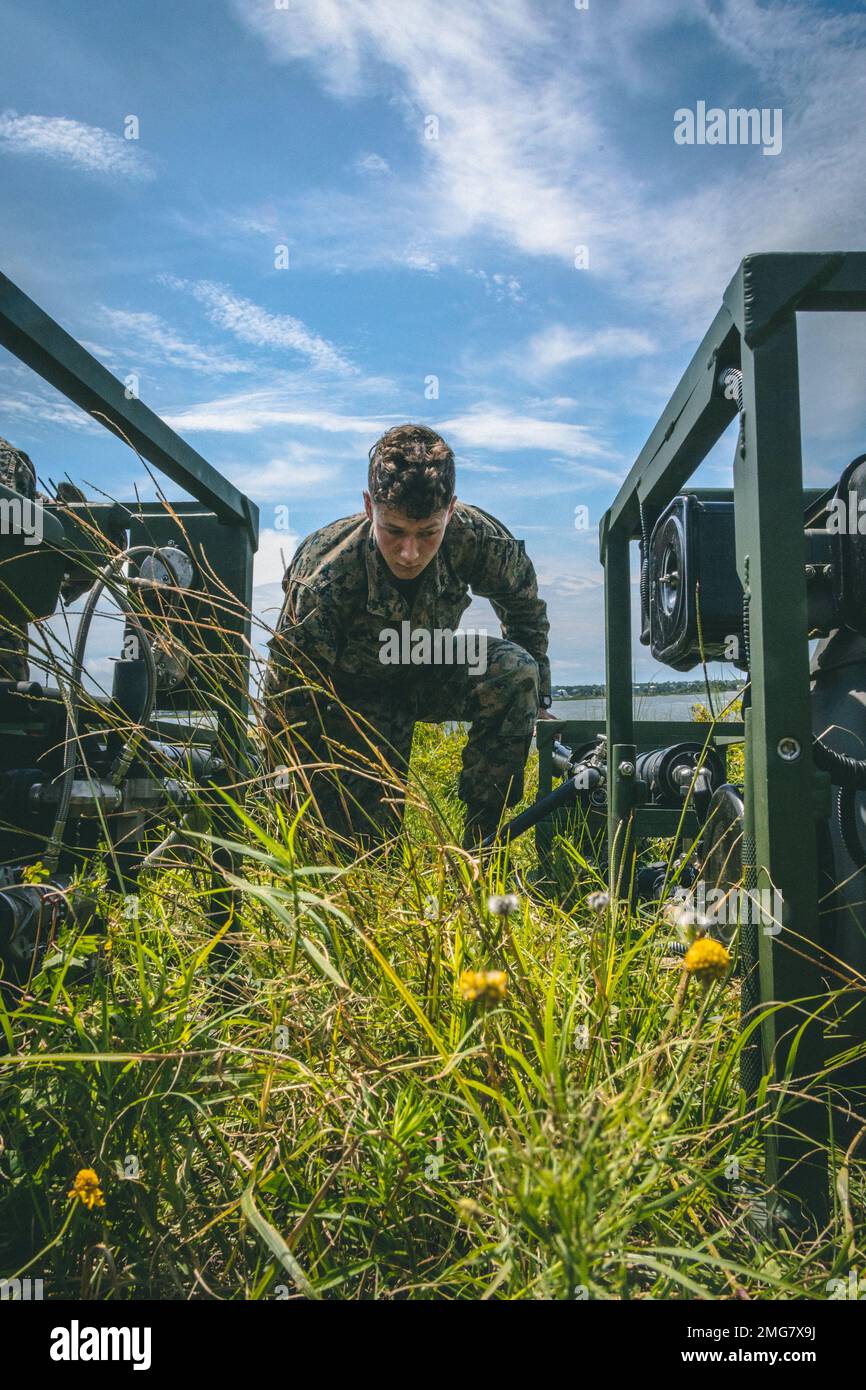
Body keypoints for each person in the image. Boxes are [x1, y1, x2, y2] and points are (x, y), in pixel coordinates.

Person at [262, 423, 553, 849]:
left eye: (428, 533)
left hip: (430, 663)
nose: (410, 553)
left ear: (450, 511)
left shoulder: (478, 538)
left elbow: (525, 608)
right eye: (394, 531)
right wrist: (288, 787)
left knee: (516, 671)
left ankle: (483, 844)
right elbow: (290, 694)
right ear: (369, 507)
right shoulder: (325, 575)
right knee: (365, 853)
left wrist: (538, 701)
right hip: (352, 695)